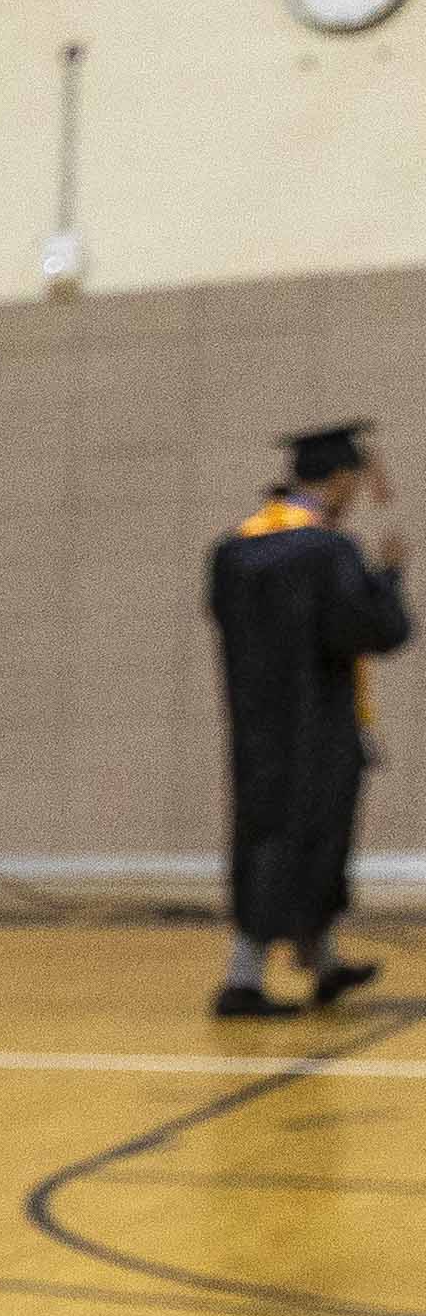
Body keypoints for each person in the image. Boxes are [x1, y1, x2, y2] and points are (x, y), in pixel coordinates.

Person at [211, 419, 413, 1017]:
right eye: (354, 481)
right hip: (320, 728)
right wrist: (389, 579)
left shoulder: (233, 550)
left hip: (258, 729)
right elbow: (376, 632)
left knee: (267, 836)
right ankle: (242, 982)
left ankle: (321, 964)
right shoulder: (328, 549)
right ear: (342, 478)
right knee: (313, 840)